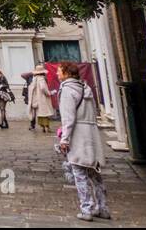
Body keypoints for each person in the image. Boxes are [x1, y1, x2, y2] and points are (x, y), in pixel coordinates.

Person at [58, 60, 111, 221]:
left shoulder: (67, 91)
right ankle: (103, 208)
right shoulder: (85, 87)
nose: (57, 73)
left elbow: (69, 118)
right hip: (91, 132)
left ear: (66, 73)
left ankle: (86, 208)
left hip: (78, 134)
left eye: (59, 71)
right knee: (95, 173)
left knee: (79, 172)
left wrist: (64, 139)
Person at [28, 64, 54, 133]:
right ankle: (47, 128)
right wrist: (49, 93)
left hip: (37, 100)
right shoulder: (41, 79)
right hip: (43, 99)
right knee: (45, 113)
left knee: (40, 114)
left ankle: (43, 127)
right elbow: (43, 88)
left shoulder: (34, 79)